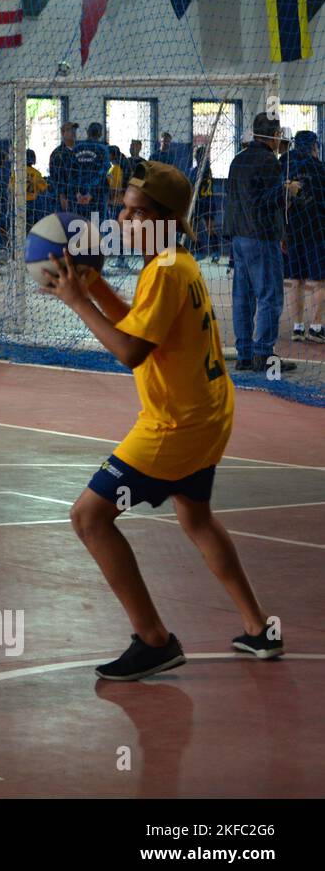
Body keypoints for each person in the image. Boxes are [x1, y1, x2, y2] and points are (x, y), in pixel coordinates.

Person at [43, 160, 282, 679]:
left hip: (178, 424)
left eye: (137, 212)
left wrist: (78, 301)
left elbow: (131, 350)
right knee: (195, 517)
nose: (124, 218)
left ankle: (154, 640)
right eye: (124, 208)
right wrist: (98, 287)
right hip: (209, 413)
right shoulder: (174, 264)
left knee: (88, 517)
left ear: (166, 220)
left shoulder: (167, 269)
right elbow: (143, 323)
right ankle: (259, 627)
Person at [224, 112, 301, 373]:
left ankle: (245, 354)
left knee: (242, 297)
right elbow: (268, 202)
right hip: (261, 237)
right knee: (270, 296)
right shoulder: (270, 162)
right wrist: (288, 191)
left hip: (238, 237)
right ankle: (263, 355)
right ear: (276, 135)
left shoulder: (238, 160)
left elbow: (240, 199)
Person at [284, 130, 325, 344]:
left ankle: (297, 328)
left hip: (292, 231)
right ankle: (316, 327)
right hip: (316, 231)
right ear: (313, 147)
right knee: (319, 279)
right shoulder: (319, 168)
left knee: (294, 279)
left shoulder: (286, 164)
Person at [70, 121, 110, 221]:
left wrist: (77, 193)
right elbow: (102, 174)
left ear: (87, 132)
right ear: (100, 134)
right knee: (96, 230)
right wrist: (91, 194)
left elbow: (71, 173)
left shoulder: (77, 148)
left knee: (80, 228)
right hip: (97, 197)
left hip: (79, 197)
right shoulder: (103, 149)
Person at [187, 145, 215, 262]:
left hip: (204, 201)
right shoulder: (197, 170)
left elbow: (194, 187)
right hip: (201, 202)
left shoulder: (204, 169)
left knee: (208, 228)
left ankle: (213, 252)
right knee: (193, 229)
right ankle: (200, 251)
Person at [49, 121, 78, 212]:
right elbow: (56, 177)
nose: (73, 132)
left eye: (74, 129)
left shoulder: (80, 151)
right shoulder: (58, 154)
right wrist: (62, 195)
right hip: (65, 197)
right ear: (63, 133)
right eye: (69, 130)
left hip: (79, 196)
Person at [23, 148, 49, 231]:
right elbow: (44, 188)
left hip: (19, 203)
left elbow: (10, 187)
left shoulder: (17, 172)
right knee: (32, 226)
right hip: (32, 204)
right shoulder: (36, 173)